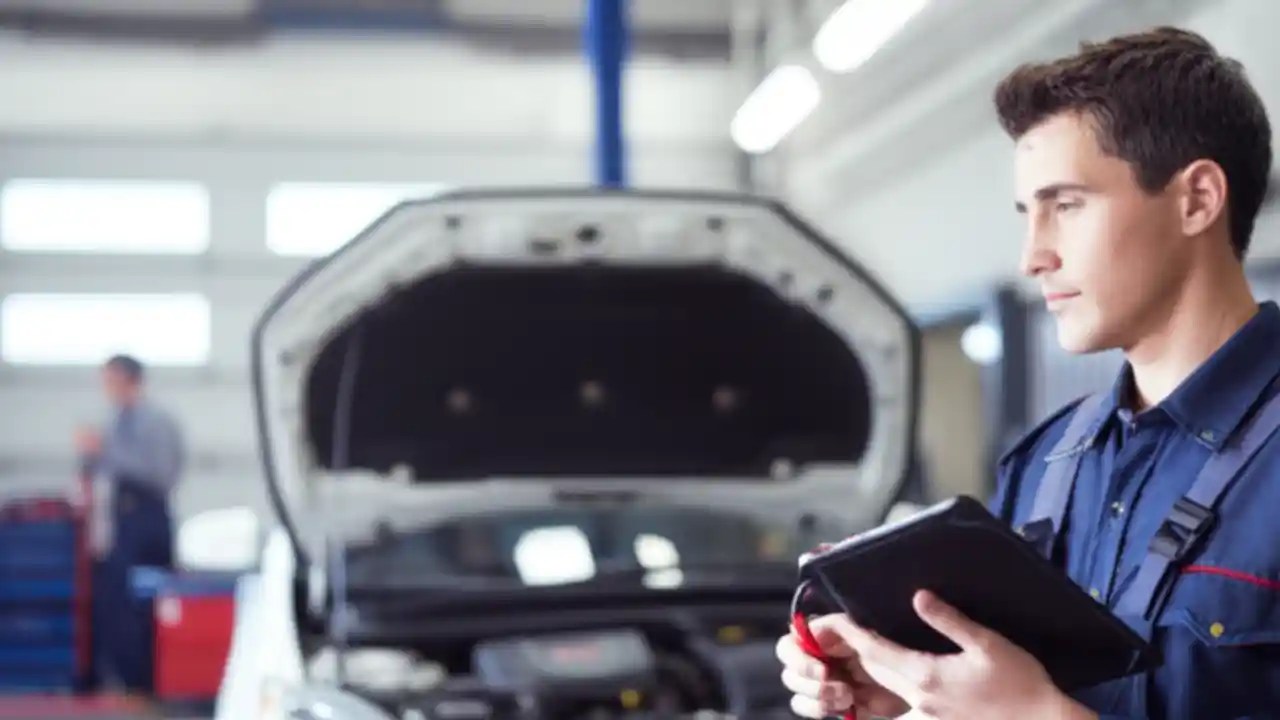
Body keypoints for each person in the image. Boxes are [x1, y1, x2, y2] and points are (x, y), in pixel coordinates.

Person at [776, 27, 1275, 720]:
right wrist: (918, 683)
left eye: (1066, 206)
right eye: (1028, 214)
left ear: (1196, 199)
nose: (1032, 256)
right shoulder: (1045, 464)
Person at [76, 354, 186, 691]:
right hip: (115, 523)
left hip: (145, 522)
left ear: (129, 380)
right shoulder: (111, 421)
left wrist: (105, 450)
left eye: (111, 381)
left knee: (143, 607)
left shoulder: (157, 422)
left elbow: (160, 474)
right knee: (112, 602)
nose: (107, 390)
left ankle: (146, 686)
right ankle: (119, 680)